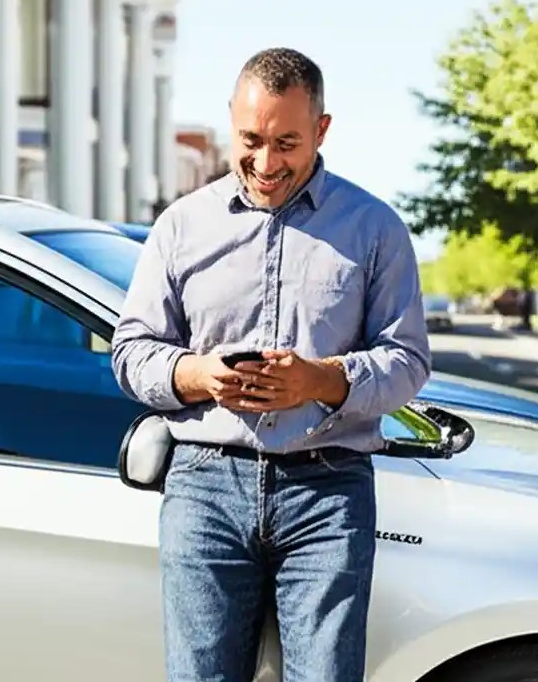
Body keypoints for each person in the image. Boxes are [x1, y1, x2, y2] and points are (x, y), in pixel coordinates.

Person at [111, 47, 431, 682]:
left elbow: (408, 360)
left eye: (286, 142)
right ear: (232, 122)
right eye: (250, 139)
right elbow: (130, 353)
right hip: (205, 486)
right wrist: (197, 375)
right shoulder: (180, 227)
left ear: (322, 130)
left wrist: (319, 380)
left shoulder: (375, 229)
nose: (264, 162)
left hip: (328, 488)